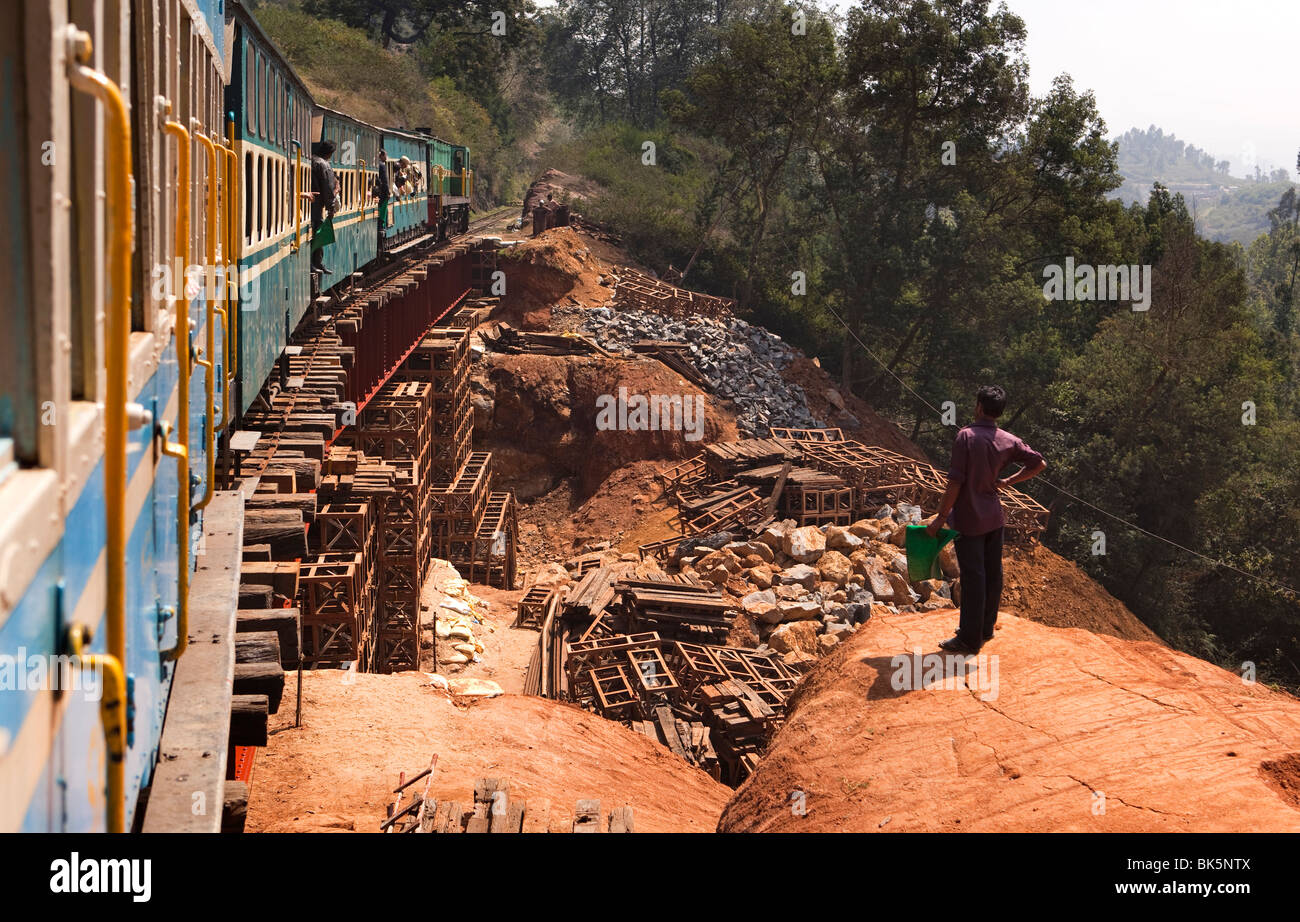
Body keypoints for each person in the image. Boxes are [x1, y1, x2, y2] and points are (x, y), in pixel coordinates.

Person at [925, 385, 1046, 654]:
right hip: (994, 517)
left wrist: (940, 518)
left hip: (969, 519)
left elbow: (955, 482)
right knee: (993, 574)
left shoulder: (966, 437)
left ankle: (969, 639)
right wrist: (1008, 481)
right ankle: (985, 629)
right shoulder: (1008, 440)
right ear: (999, 412)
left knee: (973, 578)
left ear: (979, 406)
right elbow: (1039, 463)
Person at [309, 140, 338, 274]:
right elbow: (328, 188)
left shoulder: (310, 160)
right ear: (330, 153)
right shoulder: (324, 165)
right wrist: (331, 208)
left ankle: (314, 262)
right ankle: (316, 262)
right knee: (318, 233)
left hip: (307, 203)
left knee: (310, 233)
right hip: (316, 204)